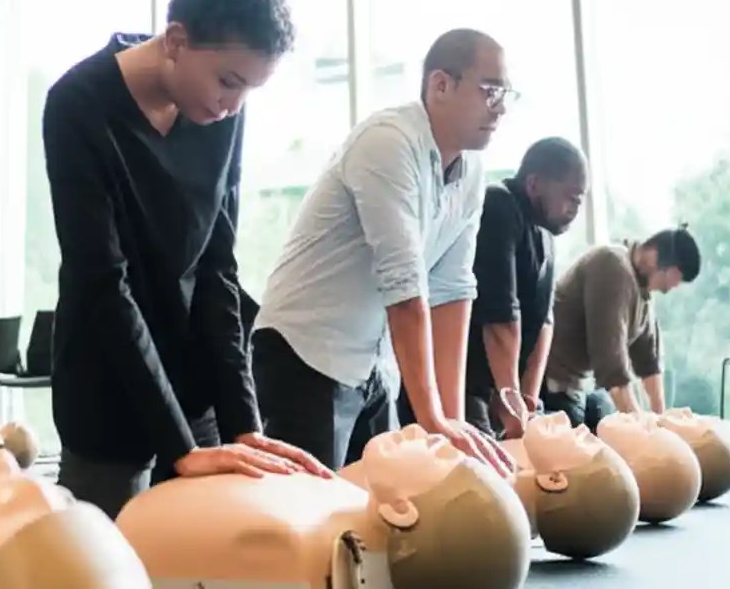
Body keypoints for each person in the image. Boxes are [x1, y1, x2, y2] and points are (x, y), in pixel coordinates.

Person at [43, 0, 331, 521]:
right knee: (99, 568)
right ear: (175, 40)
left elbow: (217, 268)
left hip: (195, 391)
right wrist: (183, 450)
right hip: (106, 392)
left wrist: (243, 426)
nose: (233, 106)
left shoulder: (221, 114)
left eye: (249, 89)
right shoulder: (77, 105)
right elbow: (102, 283)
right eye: (228, 82)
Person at [250, 28, 517, 476]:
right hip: (308, 356)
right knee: (314, 523)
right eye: (490, 91)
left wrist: (449, 424)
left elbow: (450, 290)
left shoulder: (471, 170)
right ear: (440, 85)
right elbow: (404, 284)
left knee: (381, 519)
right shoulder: (388, 142)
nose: (501, 107)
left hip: (374, 369)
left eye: (506, 94)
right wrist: (430, 415)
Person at [463, 138, 589, 440]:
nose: (575, 209)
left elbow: (545, 321)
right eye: (571, 198)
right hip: (462, 383)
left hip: (500, 387)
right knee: (488, 477)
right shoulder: (498, 206)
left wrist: (528, 401)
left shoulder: (545, 235)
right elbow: (500, 318)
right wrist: (511, 397)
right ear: (534, 184)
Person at [542, 226, 701, 431]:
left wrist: (662, 423)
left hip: (578, 387)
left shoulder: (642, 289)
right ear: (654, 256)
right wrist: (644, 433)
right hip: (551, 384)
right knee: (604, 439)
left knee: (607, 417)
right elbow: (611, 363)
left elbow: (649, 362)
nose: (672, 287)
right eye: (674, 276)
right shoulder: (612, 265)